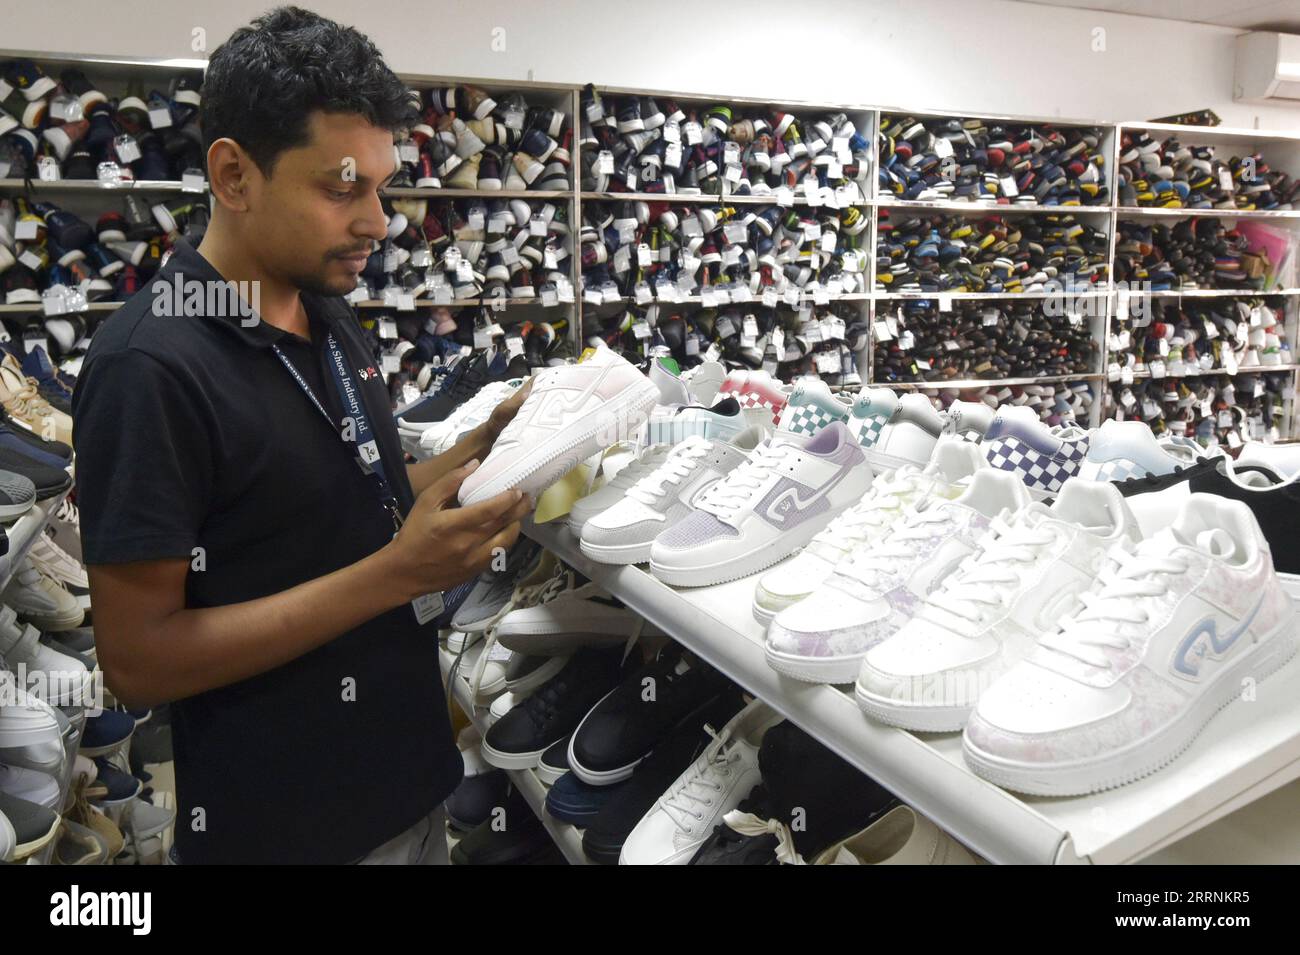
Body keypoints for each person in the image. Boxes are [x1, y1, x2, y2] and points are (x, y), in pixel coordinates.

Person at [71, 6, 532, 864]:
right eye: (341, 188)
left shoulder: (323, 310)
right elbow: (136, 659)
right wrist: (400, 574)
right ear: (234, 174)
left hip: (413, 786)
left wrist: (479, 455)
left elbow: (354, 504)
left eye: (383, 187)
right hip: (289, 831)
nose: (380, 222)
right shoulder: (150, 366)